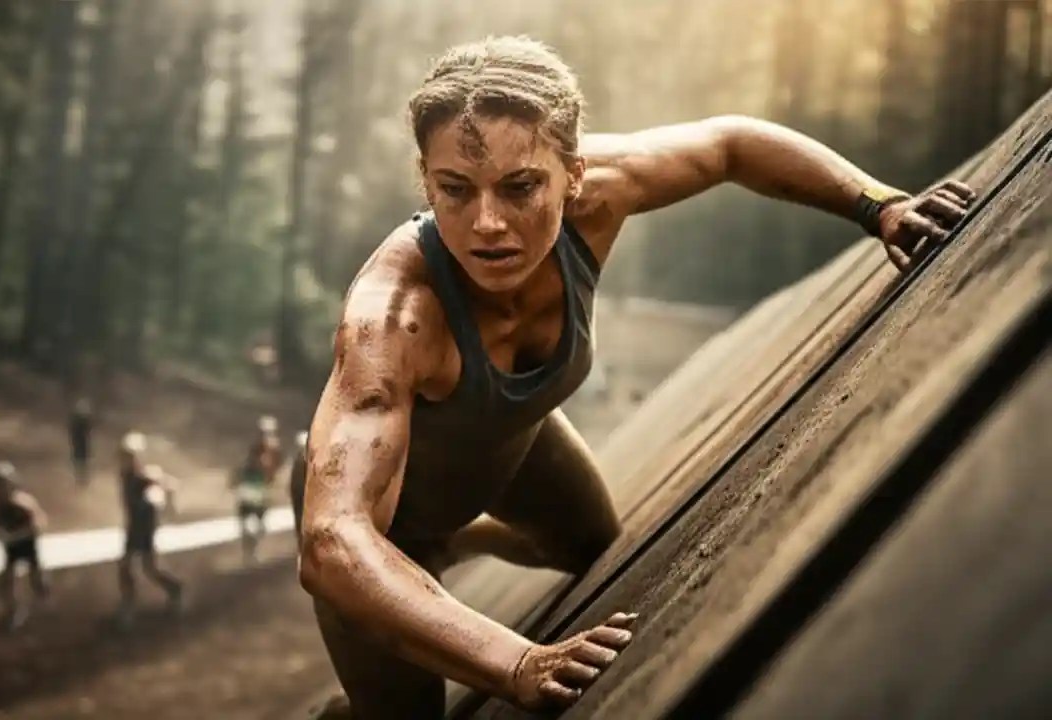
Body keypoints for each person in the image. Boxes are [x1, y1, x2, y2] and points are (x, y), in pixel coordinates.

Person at [294, 36, 976, 718]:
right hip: (377, 534)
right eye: (454, 190)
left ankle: (449, 541)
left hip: (513, 441)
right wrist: (518, 662)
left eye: (521, 186)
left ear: (576, 174)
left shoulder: (605, 194)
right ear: (425, 179)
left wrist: (878, 205)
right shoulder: (393, 319)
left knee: (590, 541)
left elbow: (730, 144)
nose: (488, 223)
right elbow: (332, 543)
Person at [116, 431, 183, 626]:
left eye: (128, 455)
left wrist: (168, 505)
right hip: (134, 525)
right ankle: (129, 604)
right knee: (129, 567)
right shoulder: (126, 474)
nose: (125, 459)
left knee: (147, 568)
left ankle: (174, 589)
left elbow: (171, 485)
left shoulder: (144, 474)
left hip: (144, 527)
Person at [0, 461, 48, 631]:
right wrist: (0, 534)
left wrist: (16, 535)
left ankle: (42, 601)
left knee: (35, 574)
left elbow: (38, 524)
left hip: (26, 544)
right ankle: (14, 611)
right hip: (11, 547)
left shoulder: (23, 503)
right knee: (8, 579)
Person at [231, 415, 283, 563]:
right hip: (254, 486)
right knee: (250, 520)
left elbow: (273, 469)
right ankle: (250, 551)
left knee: (258, 523)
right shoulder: (260, 450)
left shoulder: (272, 449)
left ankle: (251, 550)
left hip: (260, 487)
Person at [69, 397, 93, 486]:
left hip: (80, 442)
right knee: (81, 460)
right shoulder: (82, 420)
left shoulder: (77, 420)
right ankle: (81, 478)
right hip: (81, 442)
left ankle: (81, 478)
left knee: (80, 460)